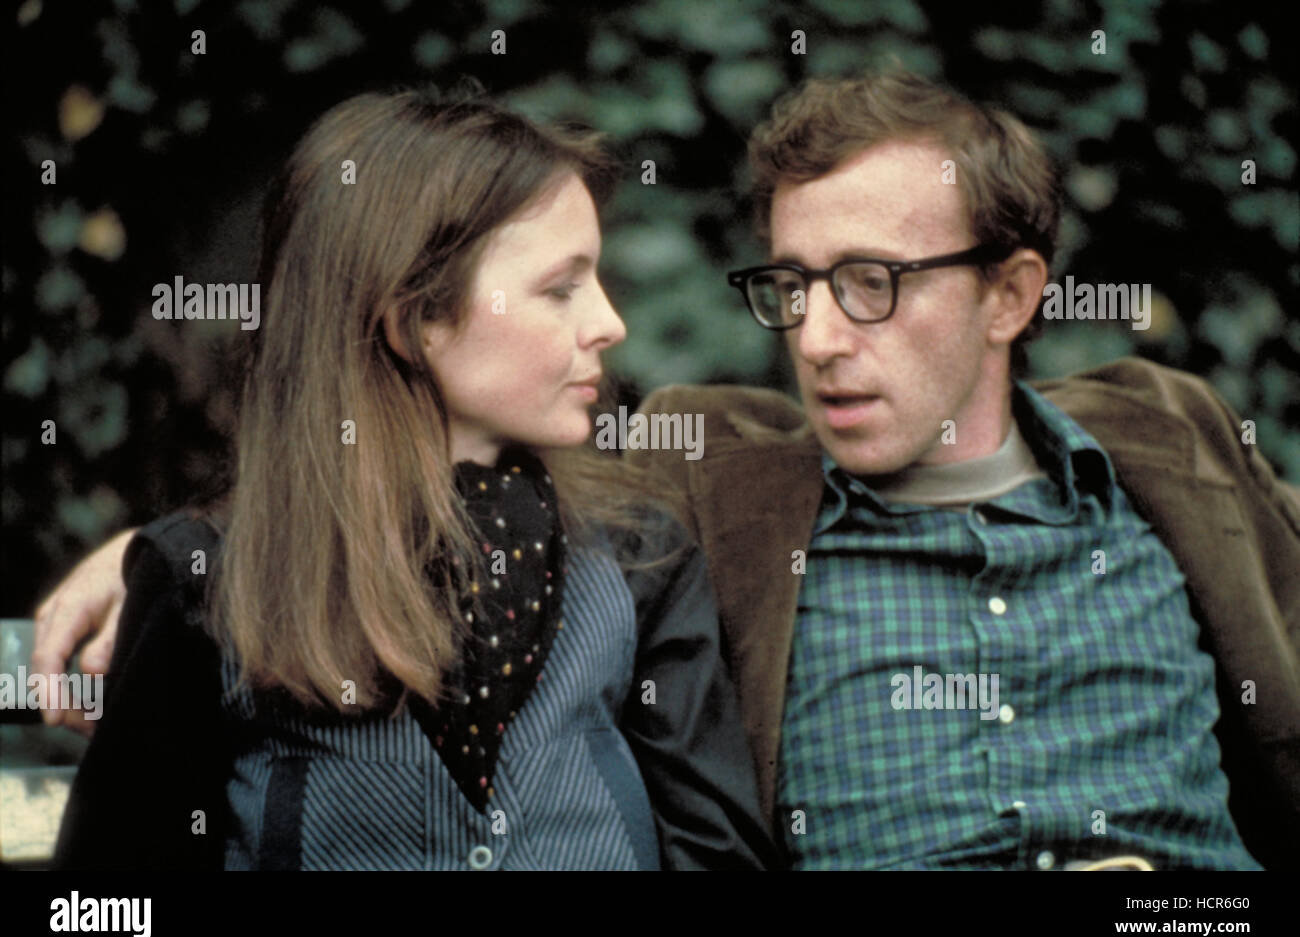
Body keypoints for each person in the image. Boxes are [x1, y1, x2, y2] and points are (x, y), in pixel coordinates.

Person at [37, 71, 1300, 871]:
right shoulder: (715, 479)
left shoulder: (1169, 442)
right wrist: (178, 562)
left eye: (871, 284)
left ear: (1011, 293)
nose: (814, 338)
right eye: (790, 286)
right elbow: (392, 459)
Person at [47, 86, 777, 871]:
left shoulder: (642, 556)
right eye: (561, 288)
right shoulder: (211, 576)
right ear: (414, 319)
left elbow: (718, 856)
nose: (609, 321)